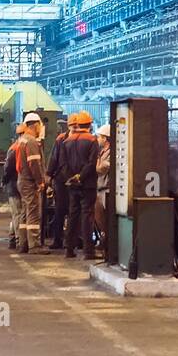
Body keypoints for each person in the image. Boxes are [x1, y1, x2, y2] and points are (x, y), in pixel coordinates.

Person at [58, 111, 100, 259]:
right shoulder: (92, 140)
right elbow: (92, 163)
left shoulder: (66, 142)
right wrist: (81, 177)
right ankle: (88, 251)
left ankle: (69, 249)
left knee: (73, 215)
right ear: (89, 124)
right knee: (87, 216)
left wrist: (71, 177)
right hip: (87, 184)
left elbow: (62, 163)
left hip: (72, 186)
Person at [15, 116, 49, 254]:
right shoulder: (31, 141)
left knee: (25, 212)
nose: (41, 128)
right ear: (35, 125)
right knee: (33, 213)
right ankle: (34, 245)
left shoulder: (22, 140)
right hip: (29, 182)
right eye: (40, 125)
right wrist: (40, 181)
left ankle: (23, 243)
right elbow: (34, 163)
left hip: (22, 180)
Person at [44, 114, 70, 249]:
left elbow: (54, 159)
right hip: (78, 181)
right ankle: (75, 241)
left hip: (61, 180)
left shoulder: (61, 139)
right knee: (74, 212)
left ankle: (58, 240)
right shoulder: (89, 138)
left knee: (60, 210)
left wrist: (48, 175)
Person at [4, 123, 26, 249]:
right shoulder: (16, 148)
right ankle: (18, 241)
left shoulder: (16, 147)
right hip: (15, 185)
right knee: (18, 214)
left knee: (16, 214)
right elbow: (8, 168)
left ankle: (13, 239)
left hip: (14, 185)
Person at [94, 123, 111, 256]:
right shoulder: (102, 152)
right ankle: (104, 238)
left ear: (105, 139)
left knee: (106, 217)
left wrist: (97, 165)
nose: (98, 139)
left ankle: (107, 241)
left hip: (106, 189)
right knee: (99, 217)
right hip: (100, 188)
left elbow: (102, 168)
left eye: (100, 137)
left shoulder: (111, 152)